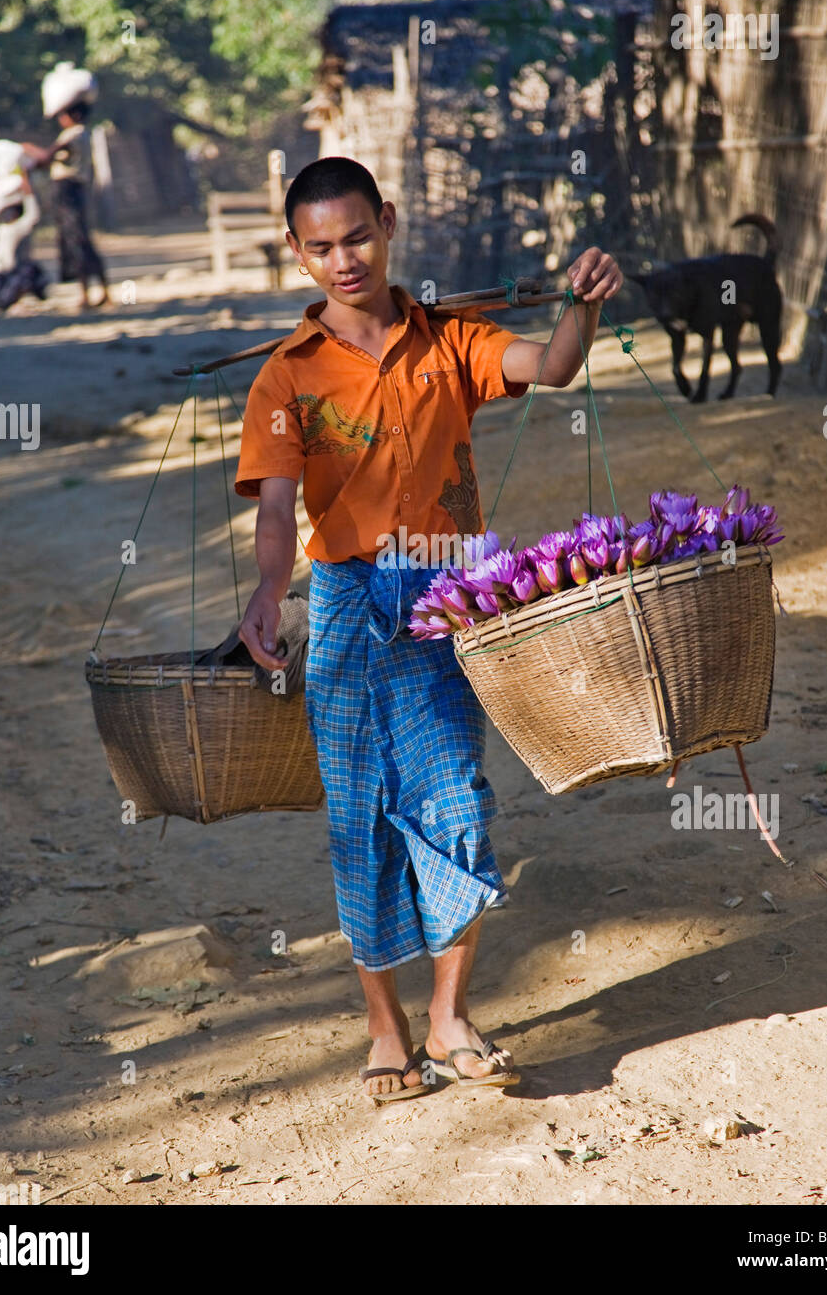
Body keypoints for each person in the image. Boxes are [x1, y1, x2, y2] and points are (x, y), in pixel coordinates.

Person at [234, 156, 623, 1102]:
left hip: (447, 598)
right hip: (344, 603)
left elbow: (559, 365)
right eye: (320, 246)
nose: (344, 259)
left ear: (390, 223)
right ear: (296, 252)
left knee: (455, 800)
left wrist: (585, 300)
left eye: (358, 236)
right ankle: (385, 1024)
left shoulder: (450, 342)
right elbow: (280, 508)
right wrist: (266, 587)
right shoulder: (286, 378)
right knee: (360, 817)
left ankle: (450, 1015)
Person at [24, 100, 110, 311]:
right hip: (72, 190)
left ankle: (89, 295)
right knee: (80, 240)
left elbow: (46, 156)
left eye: (64, 114)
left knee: (76, 239)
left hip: (68, 190)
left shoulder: (74, 134)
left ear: (75, 115)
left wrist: (26, 149)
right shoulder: (83, 134)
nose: (61, 119)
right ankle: (98, 292)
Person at [0, 172, 49, 313]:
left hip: (15, 271)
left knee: (20, 281)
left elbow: (33, 214)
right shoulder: (2, 229)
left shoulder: (19, 227)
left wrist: (28, 194)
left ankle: (24, 293)